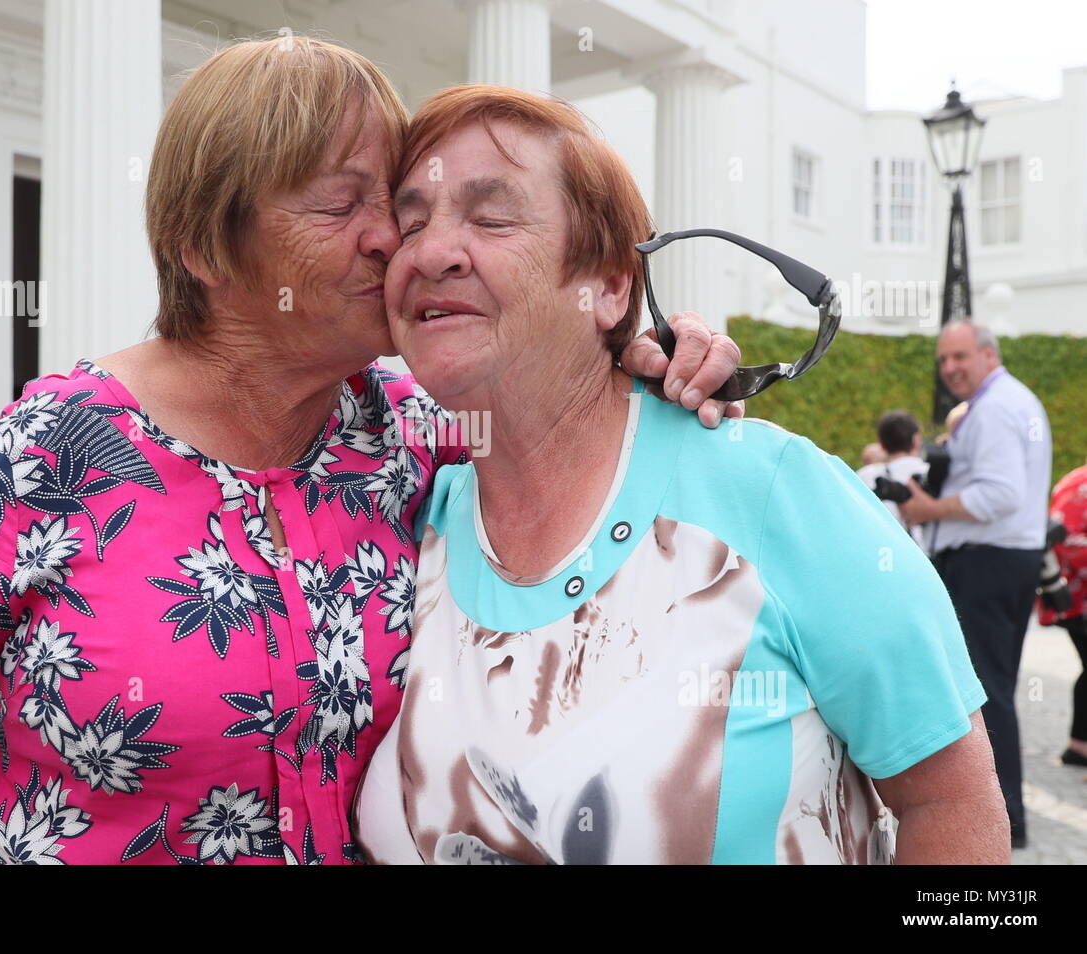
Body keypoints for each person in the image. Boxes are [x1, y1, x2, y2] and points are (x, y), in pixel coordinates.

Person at [0, 37, 743, 865]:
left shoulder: (418, 433)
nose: (395, 238)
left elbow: (566, 414)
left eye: (388, 202)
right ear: (205, 247)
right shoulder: (46, 456)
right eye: (338, 204)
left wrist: (643, 353)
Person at [351, 85, 1007, 865]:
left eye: (491, 217)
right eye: (412, 219)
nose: (430, 251)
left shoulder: (771, 493)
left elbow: (949, 799)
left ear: (610, 286)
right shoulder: (404, 510)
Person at [899, 319, 1053, 850]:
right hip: (1004, 561)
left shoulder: (997, 408)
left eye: (960, 357)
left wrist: (924, 508)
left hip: (987, 563)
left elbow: (999, 495)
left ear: (989, 354)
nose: (950, 369)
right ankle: (1007, 819)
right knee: (995, 690)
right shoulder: (1008, 403)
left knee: (983, 694)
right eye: (944, 360)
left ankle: (1000, 823)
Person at [1036, 461, 1087, 767]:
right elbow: (1062, 537)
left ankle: (1078, 744)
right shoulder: (1079, 485)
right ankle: (1078, 745)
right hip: (1077, 598)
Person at [856, 410, 929, 546]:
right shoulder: (930, 472)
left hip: (882, 554)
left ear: (881, 444)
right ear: (916, 440)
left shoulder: (864, 476)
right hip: (927, 559)